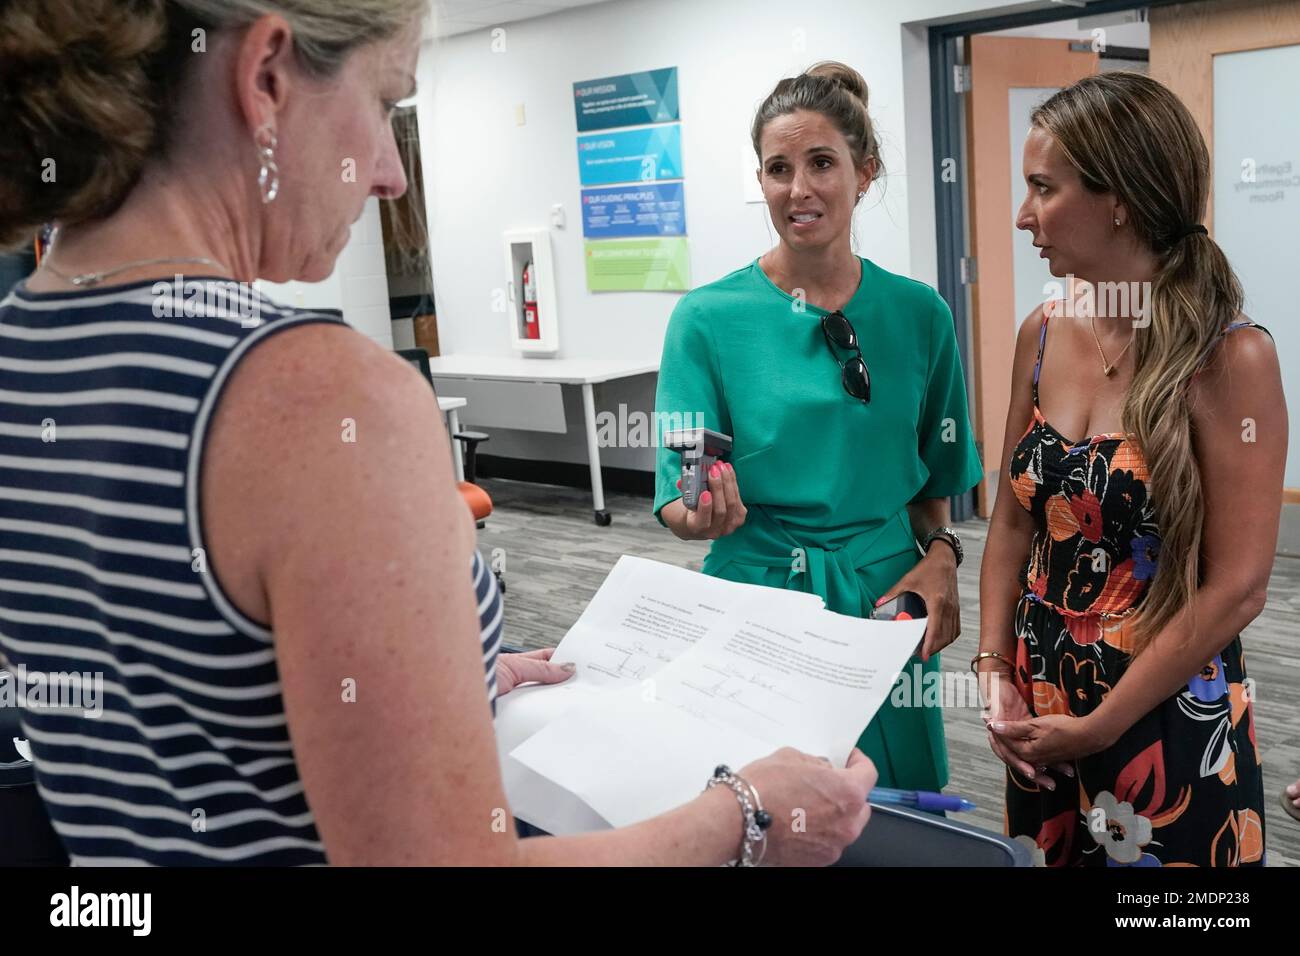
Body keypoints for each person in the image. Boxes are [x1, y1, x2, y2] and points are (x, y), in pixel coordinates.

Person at [0, 0, 877, 866]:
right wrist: (747, 813)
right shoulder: (322, 398)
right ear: (265, 76)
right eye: (385, 103)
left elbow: (172, 688)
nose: (391, 173)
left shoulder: (23, 349)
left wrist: (421, 685)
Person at [976, 72, 1285, 867]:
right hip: (1041, 698)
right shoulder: (1042, 332)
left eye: (1043, 188)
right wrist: (991, 665)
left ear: (1118, 198)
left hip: (1167, 708)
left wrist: (1104, 725)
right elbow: (1011, 519)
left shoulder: (1231, 356)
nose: (1022, 216)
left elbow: (1239, 586)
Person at [653, 62, 983, 792]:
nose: (798, 189)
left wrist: (943, 557)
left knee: (898, 813)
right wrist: (699, 513)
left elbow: (937, 481)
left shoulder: (921, 315)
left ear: (865, 174)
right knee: (764, 806)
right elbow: (680, 495)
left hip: (888, 599)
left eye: (821, 163)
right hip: (761, 592)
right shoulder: (707, 320)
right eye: (778, 168)